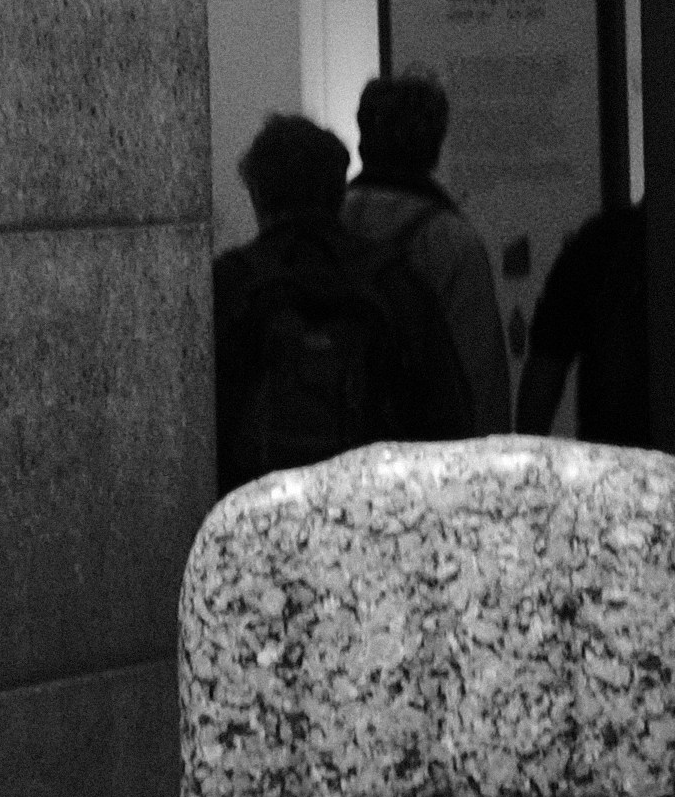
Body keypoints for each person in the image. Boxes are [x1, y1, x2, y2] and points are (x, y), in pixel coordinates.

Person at [212, 111, 462, 489]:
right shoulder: (393, 283)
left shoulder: (230, 285)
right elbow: (448, 417)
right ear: (338, 190)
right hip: (373, 502)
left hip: (257, 503)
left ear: (257, 193)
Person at [347, 70, 512, 436]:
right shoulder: (452, 241)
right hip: (421, 445)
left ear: (363, 140)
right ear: (435, 145)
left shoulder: (328, 222)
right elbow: (480, 378)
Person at [518, 195, 652, 446]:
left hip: (613, 448)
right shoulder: (604, 243)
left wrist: (526, 455)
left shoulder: (604, 241)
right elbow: (547, 362)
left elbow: (546, 366)